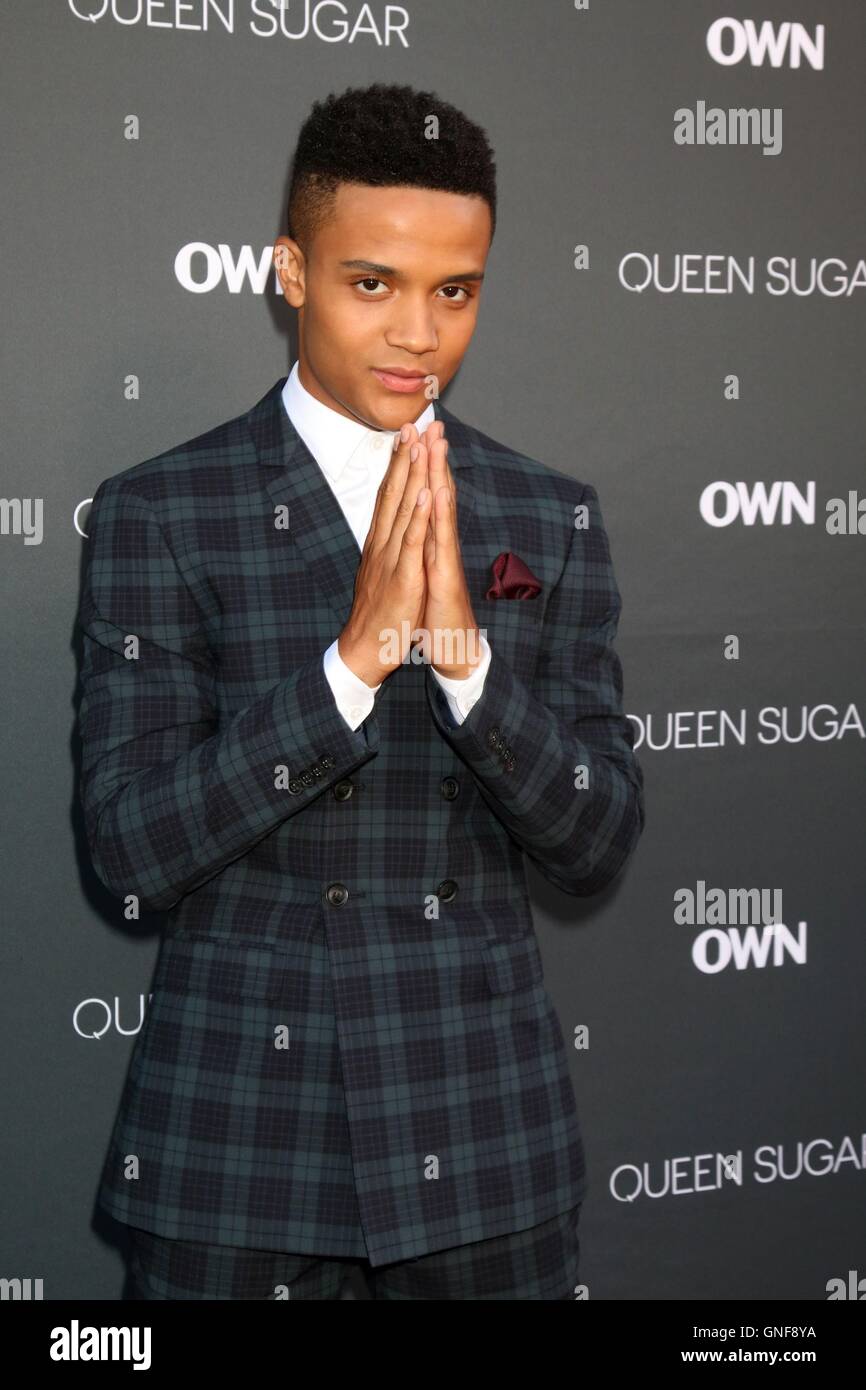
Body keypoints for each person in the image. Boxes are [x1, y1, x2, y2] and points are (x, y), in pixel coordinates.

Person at [77, 82, 645, 1300]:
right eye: (370, 282)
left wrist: (468, 669)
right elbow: (127, 848)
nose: (417, 335)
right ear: (289, 270)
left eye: (456, 290)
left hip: (484, 1146)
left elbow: (595, 839)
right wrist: (346, 669)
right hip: (240, 1152)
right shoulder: (162, 511)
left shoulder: (550, 514)